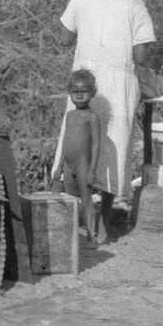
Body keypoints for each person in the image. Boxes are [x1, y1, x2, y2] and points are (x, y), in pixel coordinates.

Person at [53, 0, 156, 235]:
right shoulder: (135, 4)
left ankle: (73, 215)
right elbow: (139, 55)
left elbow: (64, 39)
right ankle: (108, 214)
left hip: (85, 82)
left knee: (76, 139)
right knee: (114, 144)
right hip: (118, 85)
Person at [55, 68, 102, 247]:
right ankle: (71, 236)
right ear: (69, 93)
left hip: (83, 163)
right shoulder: (70, 115)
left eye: (84, 92)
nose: (80, 96)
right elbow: (64, 141)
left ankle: (91, 236)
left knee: (86, 199)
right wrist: (59, 166)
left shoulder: (92, 117)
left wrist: (92, 170)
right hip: (68, 164)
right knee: (70, 200)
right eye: (75, 92)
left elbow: (96, 144)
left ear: (93, 93)